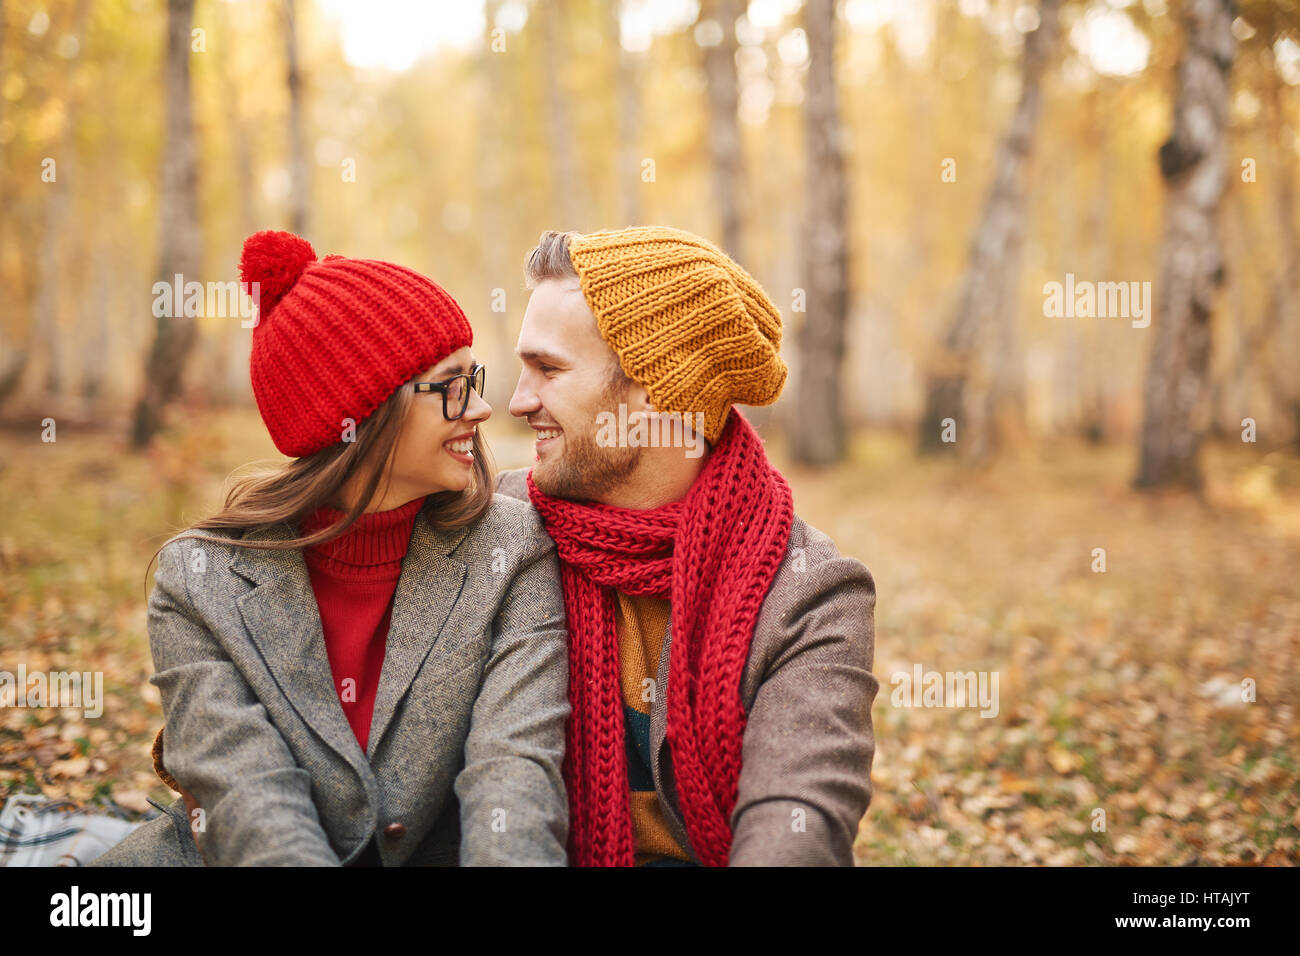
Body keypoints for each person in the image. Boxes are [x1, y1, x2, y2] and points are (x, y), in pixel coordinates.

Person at [92, 230, 569, 866]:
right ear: (365, 411)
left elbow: (514, 777)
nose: (481, 408)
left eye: (473, 377)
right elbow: (249, 801)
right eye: (451, 384)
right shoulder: (198, 581)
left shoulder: (510, 549)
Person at [499, 225, 878, 867]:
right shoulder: (495, 530)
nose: (517, 401)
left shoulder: (811, 592)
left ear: (653, 391)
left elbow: (798, 820)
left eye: (549, 369)